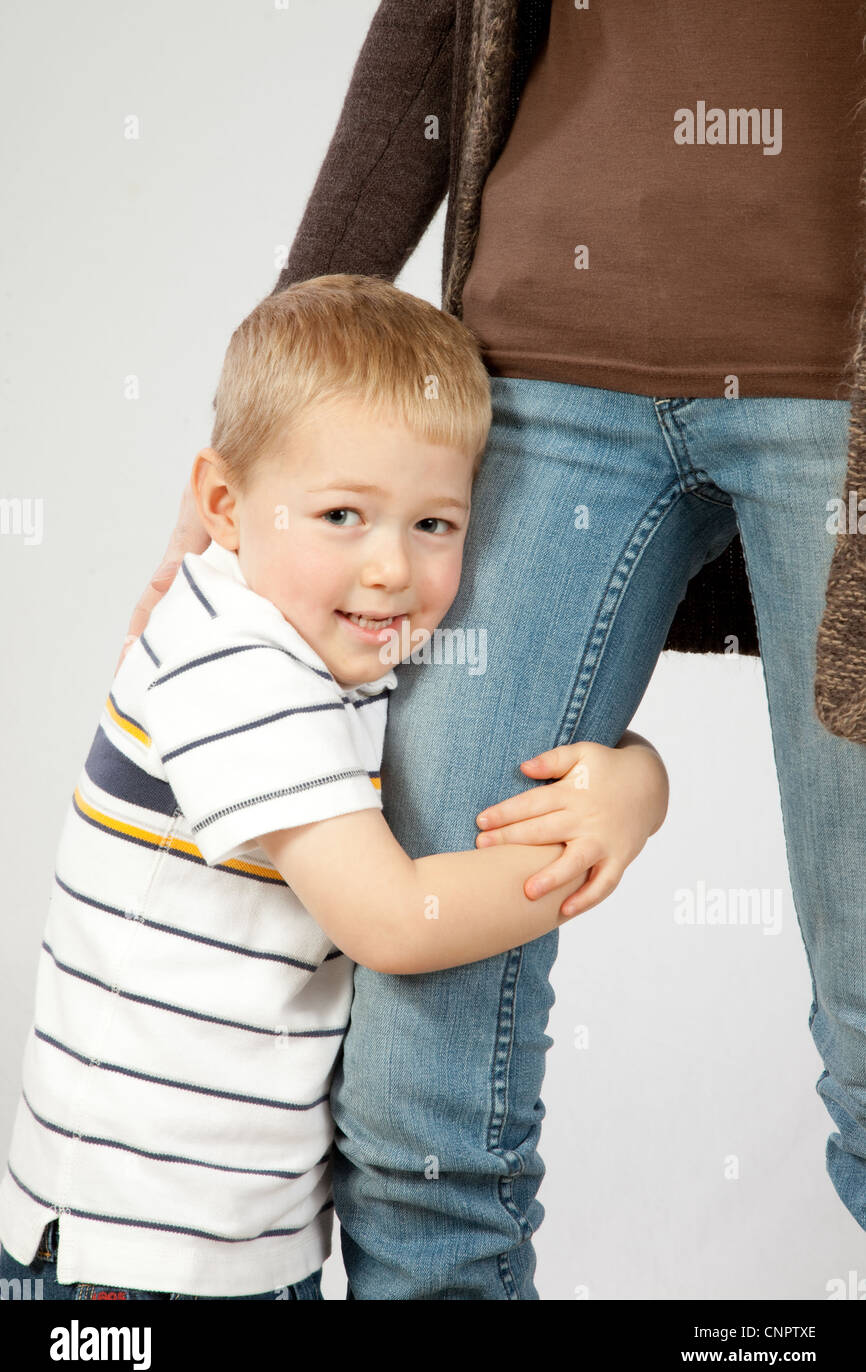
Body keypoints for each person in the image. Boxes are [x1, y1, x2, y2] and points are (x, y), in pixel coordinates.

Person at [119, 0, 866, 1299]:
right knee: (425, 1083)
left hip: (839, 389)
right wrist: (271, 400)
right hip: (533, 375)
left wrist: (633, 793)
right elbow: (426, 26)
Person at [0, 275, 669, 1300]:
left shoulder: (314, 625)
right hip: (141, 1259)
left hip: (222, 1236)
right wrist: (600, 835)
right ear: (223, 504)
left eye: (434, 525)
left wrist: (639, 776)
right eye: (342, 513)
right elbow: (393, 922)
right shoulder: (238, 666)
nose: (390, 568)